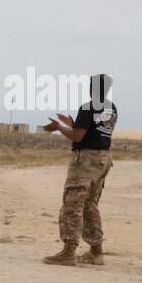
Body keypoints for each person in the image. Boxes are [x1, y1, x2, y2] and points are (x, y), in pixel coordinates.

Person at [42, 74, 118, 266]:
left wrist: (59, 127)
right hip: (102, 159)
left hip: (86, 161)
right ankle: (96, 252)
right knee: (90, 205)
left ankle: (69, 252)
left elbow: (77, 136)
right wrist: (70, 123)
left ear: (92, 88)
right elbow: (93, 130)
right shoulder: (111, 108)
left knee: (73, 204)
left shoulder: (88, 107)